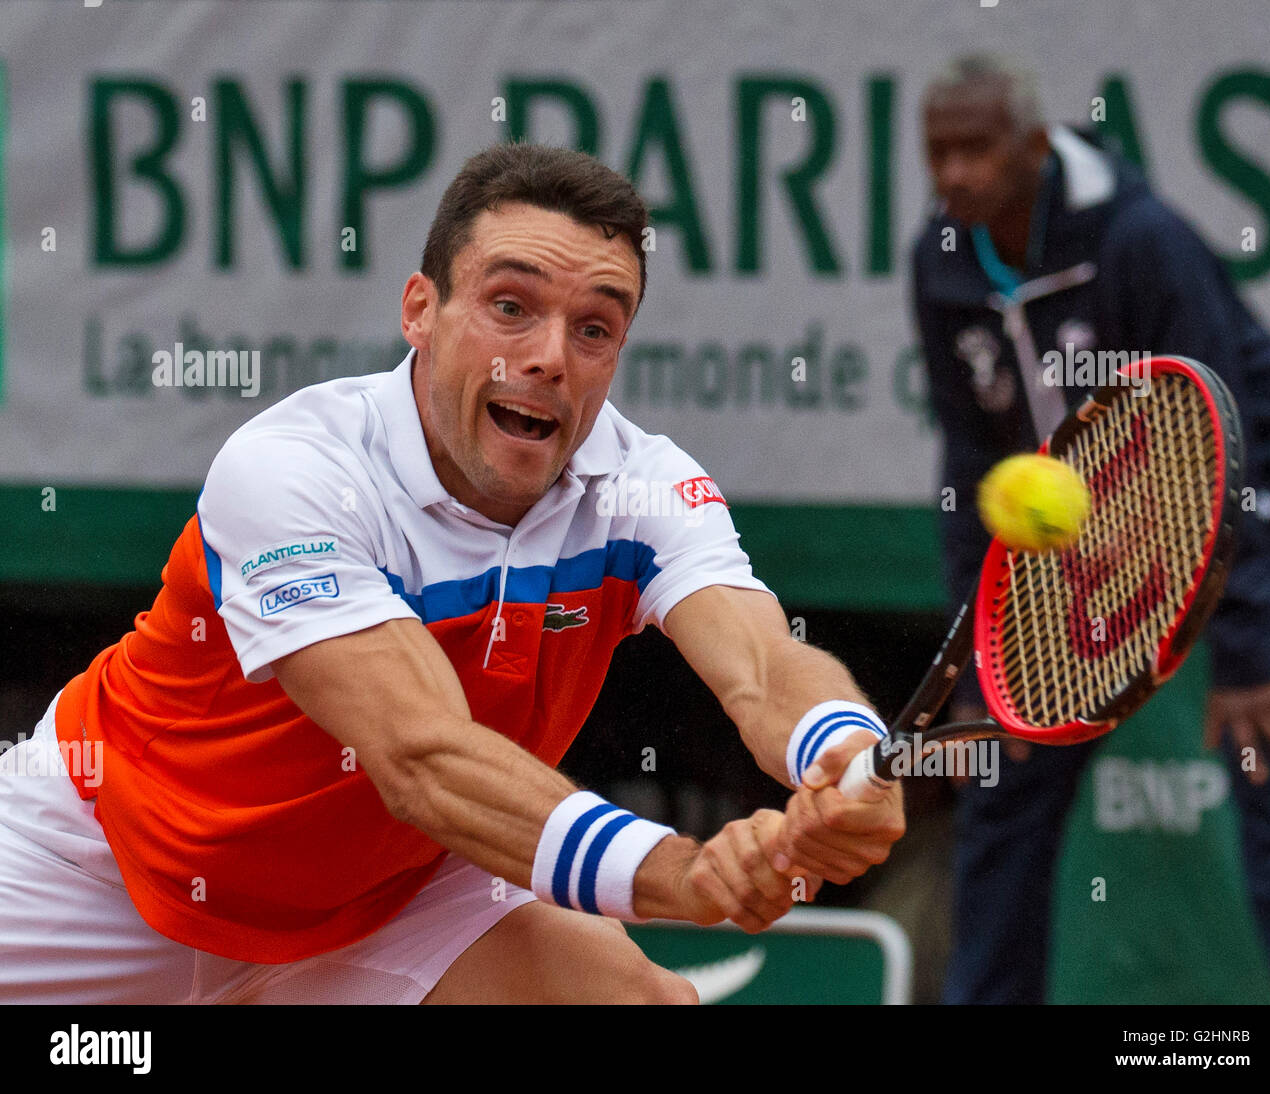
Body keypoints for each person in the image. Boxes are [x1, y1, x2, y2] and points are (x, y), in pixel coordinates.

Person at [0, 143, 904, 1004]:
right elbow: (422, 756)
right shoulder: (294, 471)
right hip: (94, 874)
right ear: (419, 310)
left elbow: (762, 662)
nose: (552, 356)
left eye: (594, 326)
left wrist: (843, 752)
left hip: (387, 899)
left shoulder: (644, 487)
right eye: (511, 306)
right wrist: (681, 874)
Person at [911, 54, 1270, 1005]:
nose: (954, 173)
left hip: (1256, 504)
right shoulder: (942, 259)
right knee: (1006, 784)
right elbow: (973, 465)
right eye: (937, 153)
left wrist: (1250, 652)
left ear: (1035, 147)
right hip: (1089, 534)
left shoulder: (1139, 240)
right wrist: (980, 661)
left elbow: (1221, 433)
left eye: (976, 148)